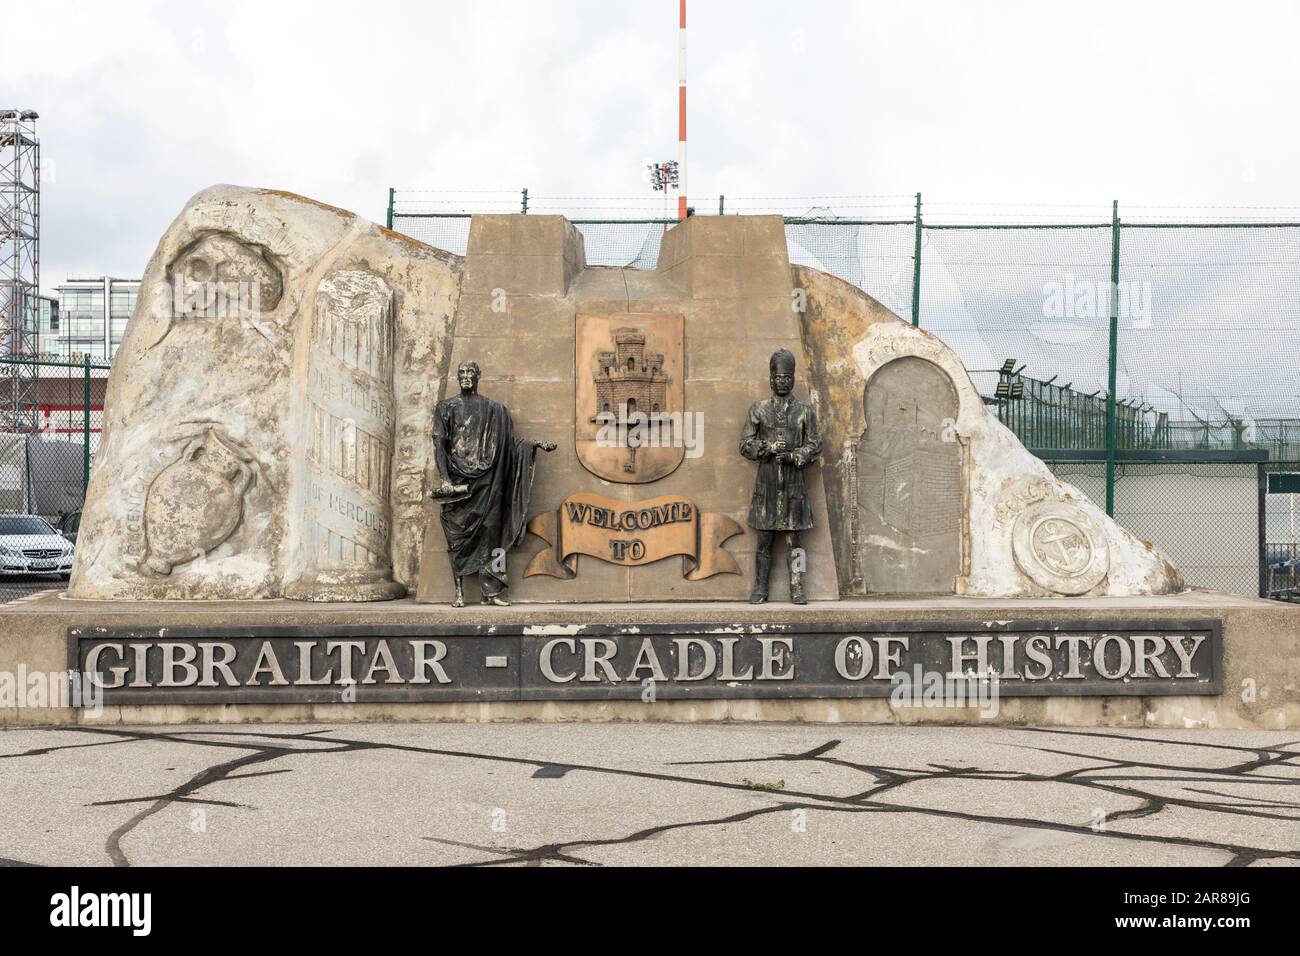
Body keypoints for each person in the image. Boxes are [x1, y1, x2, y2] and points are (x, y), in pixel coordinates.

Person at [432, 361, 556, 606]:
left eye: (470, 373)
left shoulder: (495, 410)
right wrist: (446, 479)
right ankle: (459, 593)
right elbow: (439, 445)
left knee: (492, 536)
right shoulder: (446, 407)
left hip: (488, 484)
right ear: (457, 377)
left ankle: (491, 592)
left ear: (478, 376)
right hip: (459, 486)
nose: (466, 377)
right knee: (456, 538)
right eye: (462, 373)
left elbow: (509, 445)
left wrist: (533, 446)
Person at [738, 348, 823, 604]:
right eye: (778, 377)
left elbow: (815, 445)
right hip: (767, 485)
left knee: (794, 542)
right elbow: (745, 444)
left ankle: (797, 588)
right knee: (763, 541)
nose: (783, 381)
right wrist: (768, 448)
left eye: (787, 377)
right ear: (771, 378)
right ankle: (760, 588)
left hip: (794, 487)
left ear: (794, 378)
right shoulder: (759, 410)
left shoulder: (805, 412)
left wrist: (793, 456)